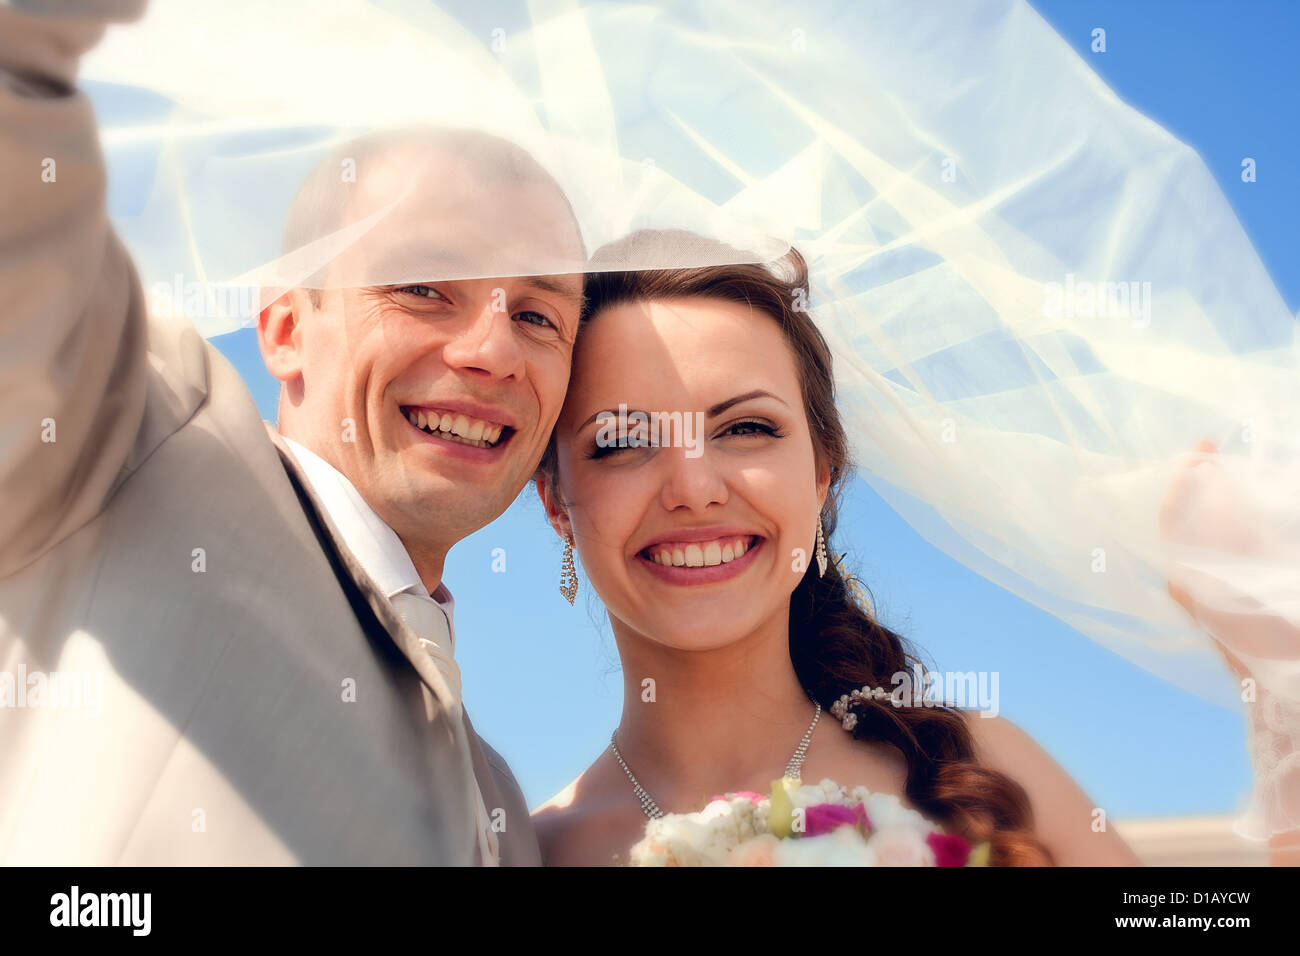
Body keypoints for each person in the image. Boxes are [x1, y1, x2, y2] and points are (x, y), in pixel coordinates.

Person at [0, 1, 583, 864]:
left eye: (538, 315)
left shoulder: (501, 802)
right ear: (281, 327)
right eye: (424, 285)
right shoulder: (136, 438)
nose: (493, 349)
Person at [531, 232, 1155, 866]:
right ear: (555, 500)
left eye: (746, 428)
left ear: (821, 472)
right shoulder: (526, 850)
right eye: (622, 440)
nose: (694, 489)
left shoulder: (979, 780)